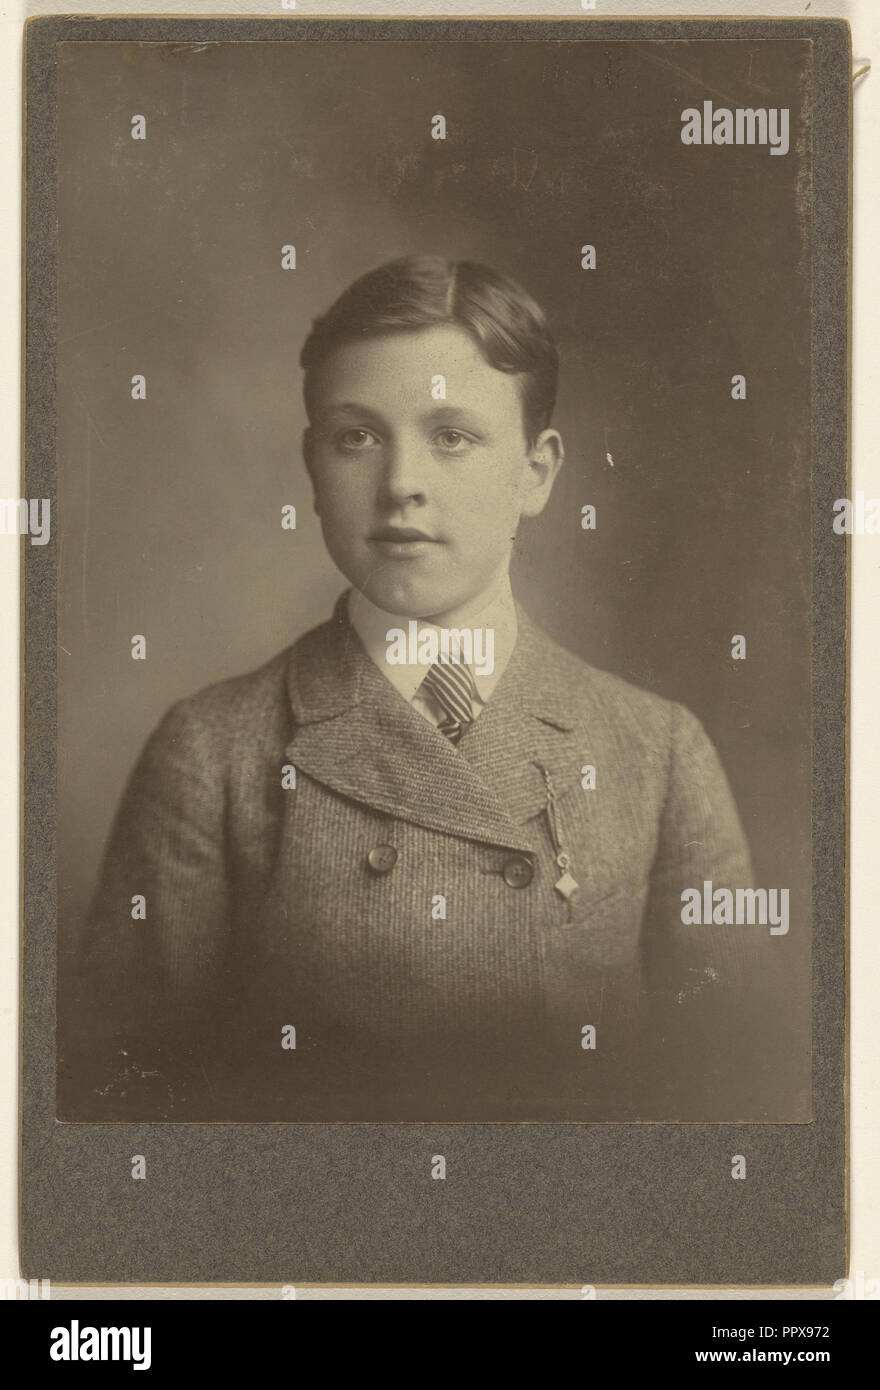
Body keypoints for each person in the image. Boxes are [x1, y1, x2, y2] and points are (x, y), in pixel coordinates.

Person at [60, 255, 779, 1123]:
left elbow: (733, 1084)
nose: (401, 482)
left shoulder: (657, 750)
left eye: (452, 436)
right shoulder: (213, 751)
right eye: (356, 436)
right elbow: (122, 1098)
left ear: (537, 473)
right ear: (312, 468)